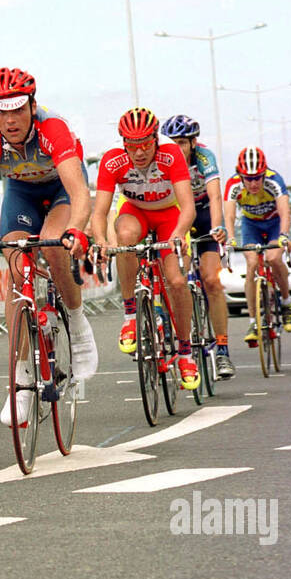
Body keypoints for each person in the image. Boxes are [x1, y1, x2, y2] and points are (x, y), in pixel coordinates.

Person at [0, 67, 97, 426]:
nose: (10, 119)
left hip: (60, 191)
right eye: (2, 111)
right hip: (21, 193)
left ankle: (78, 327)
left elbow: (79, 192)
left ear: (32, 106)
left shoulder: (53, 129)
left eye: (18, 109)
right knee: (16, 267)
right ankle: (19, 381)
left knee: (52, 247)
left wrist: (77, 230)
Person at [91, 106, 199, 389]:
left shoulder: (171, 152)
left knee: (176, 280)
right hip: (135, 211)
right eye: (132, 147)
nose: (139, 153)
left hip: (169, 214)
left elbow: (188, 206)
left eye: (145, 145)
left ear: (155, 138)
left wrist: (178, 234)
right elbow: (100, 212)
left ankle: (185, 351)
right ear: (123, 143)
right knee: (125, 239)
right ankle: (130, 315)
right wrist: (101, 240)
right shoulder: (113, 159)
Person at [161, 114, 234, 379]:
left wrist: (217, 227)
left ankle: (223, 350)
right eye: (172, 142)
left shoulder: (204, 157)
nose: (177, 147)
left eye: (182, 142)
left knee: (211, 281)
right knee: (176, 278)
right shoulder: (163, 158)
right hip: (178, 215)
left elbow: (215, 196)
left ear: (193, 142)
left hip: (204, 216)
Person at [223, 146, 291, 338]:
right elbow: (229, 215)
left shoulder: (275, 180)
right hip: (251, 225)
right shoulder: (232, 184)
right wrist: (230, 238)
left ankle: (287, 303)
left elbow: (284, 211)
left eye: (257, 178)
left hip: (274, 223)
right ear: (241, 176)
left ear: (264, 174)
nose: (253, 183)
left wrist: (284, 235)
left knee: (273, 257)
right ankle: (253, 323)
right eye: (248, 178)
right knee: (252, 264)